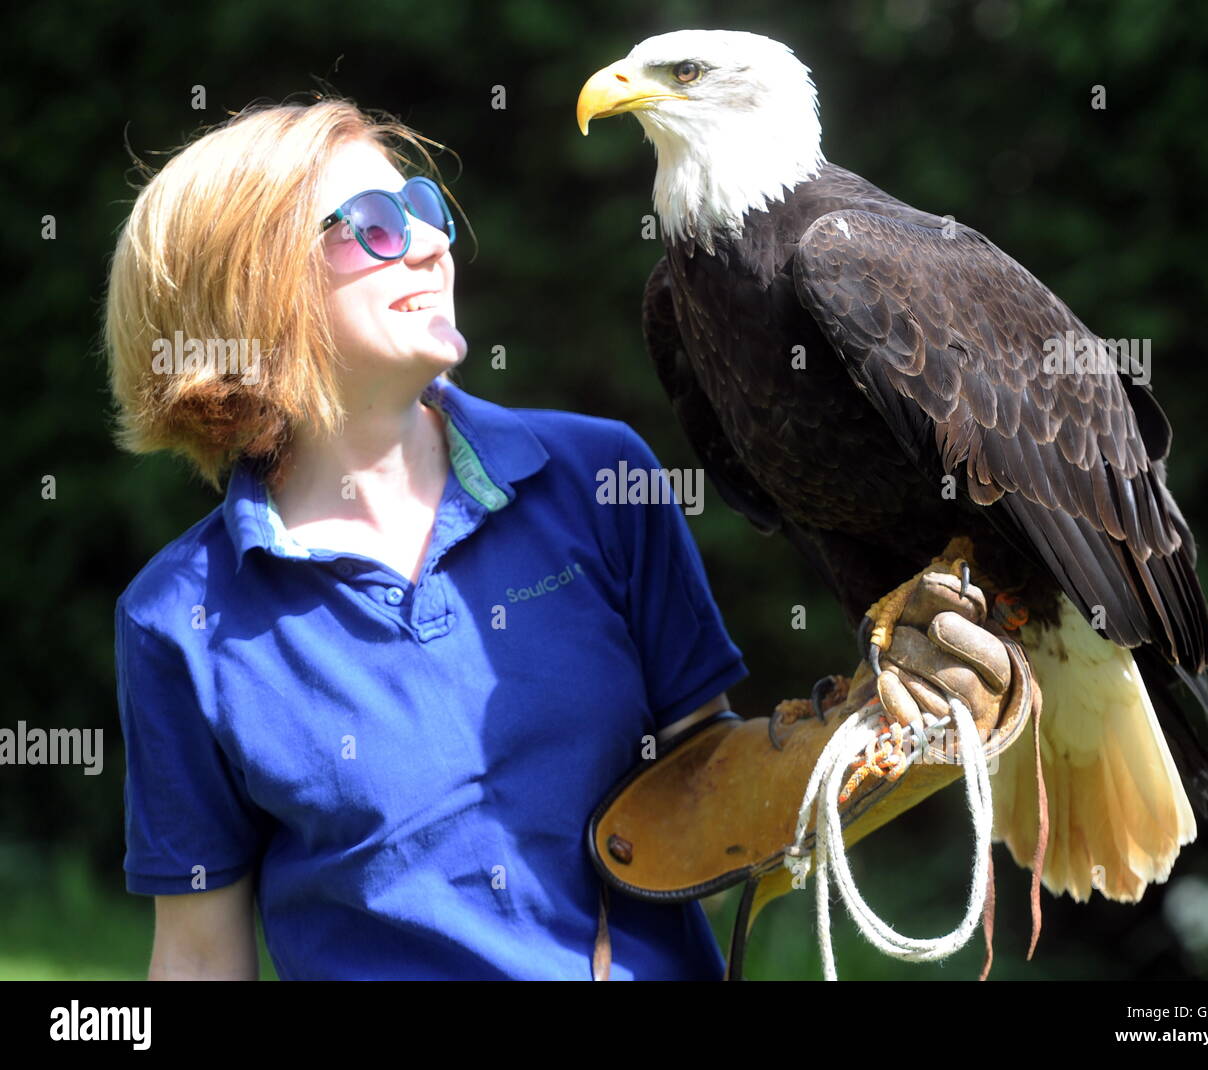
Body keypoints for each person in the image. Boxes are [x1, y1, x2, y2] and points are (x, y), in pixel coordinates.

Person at [105, 98, 1033, 981]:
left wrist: (871, 741)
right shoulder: (181, 619)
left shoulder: (594, 480)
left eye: (429, 212)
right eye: (377, 226)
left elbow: (701, 787)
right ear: (251, 287)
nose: (432, 245)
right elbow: (195, 954)